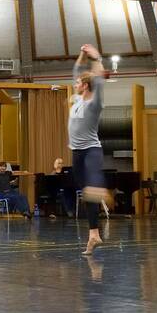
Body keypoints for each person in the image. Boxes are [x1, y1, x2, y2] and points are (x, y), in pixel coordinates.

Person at [70, 44, 109, 255]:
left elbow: (99, 82)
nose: (75, 83)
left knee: (92, 188)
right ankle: (93, 234)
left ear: (85, 86)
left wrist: (96, 58)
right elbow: (77, 71)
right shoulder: (76, 99)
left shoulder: (94, 104)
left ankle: (99, 186)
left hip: (91, 150)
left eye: (78, 83)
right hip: (76, 152)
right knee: (86, 194)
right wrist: (82, 53)